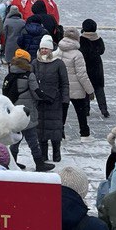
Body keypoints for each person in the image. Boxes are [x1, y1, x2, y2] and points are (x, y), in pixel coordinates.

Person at [4, 48, 54, 171]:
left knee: (15, 140)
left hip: (14, 113)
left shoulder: (9, 74)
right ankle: (39, 164)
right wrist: (47, 98)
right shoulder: (29, 75)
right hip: (27, 113)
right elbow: (36, 92)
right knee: (32, 140)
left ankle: (13, 163)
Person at [33, 36, 69, 165]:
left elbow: (64, 83)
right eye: (42, 48)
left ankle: (56, 153)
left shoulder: (58, 63)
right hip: (40, 101)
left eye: (46, 48)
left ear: (50, 49)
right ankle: (43, 154)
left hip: (55, 101)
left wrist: (65, 99)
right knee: (41, 129)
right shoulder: (35, 63)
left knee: (55, 129)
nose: (43, 51)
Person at [59, 29, 93, 140]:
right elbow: (82, 74)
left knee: (62, 112)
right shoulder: (77, 54)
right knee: (81, 112)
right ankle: (84, 134)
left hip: (61, 87)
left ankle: (60, 134)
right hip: (76, 88)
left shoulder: (58, 51)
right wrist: (90, 90)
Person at [79, 19, 110, 119]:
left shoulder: (81, 39)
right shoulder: (98, 39)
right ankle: (104, 109)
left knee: (85, 89)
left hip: (85, 66)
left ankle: (86, 109)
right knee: (99, 89)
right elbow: (102, 51)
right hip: (97, 67)